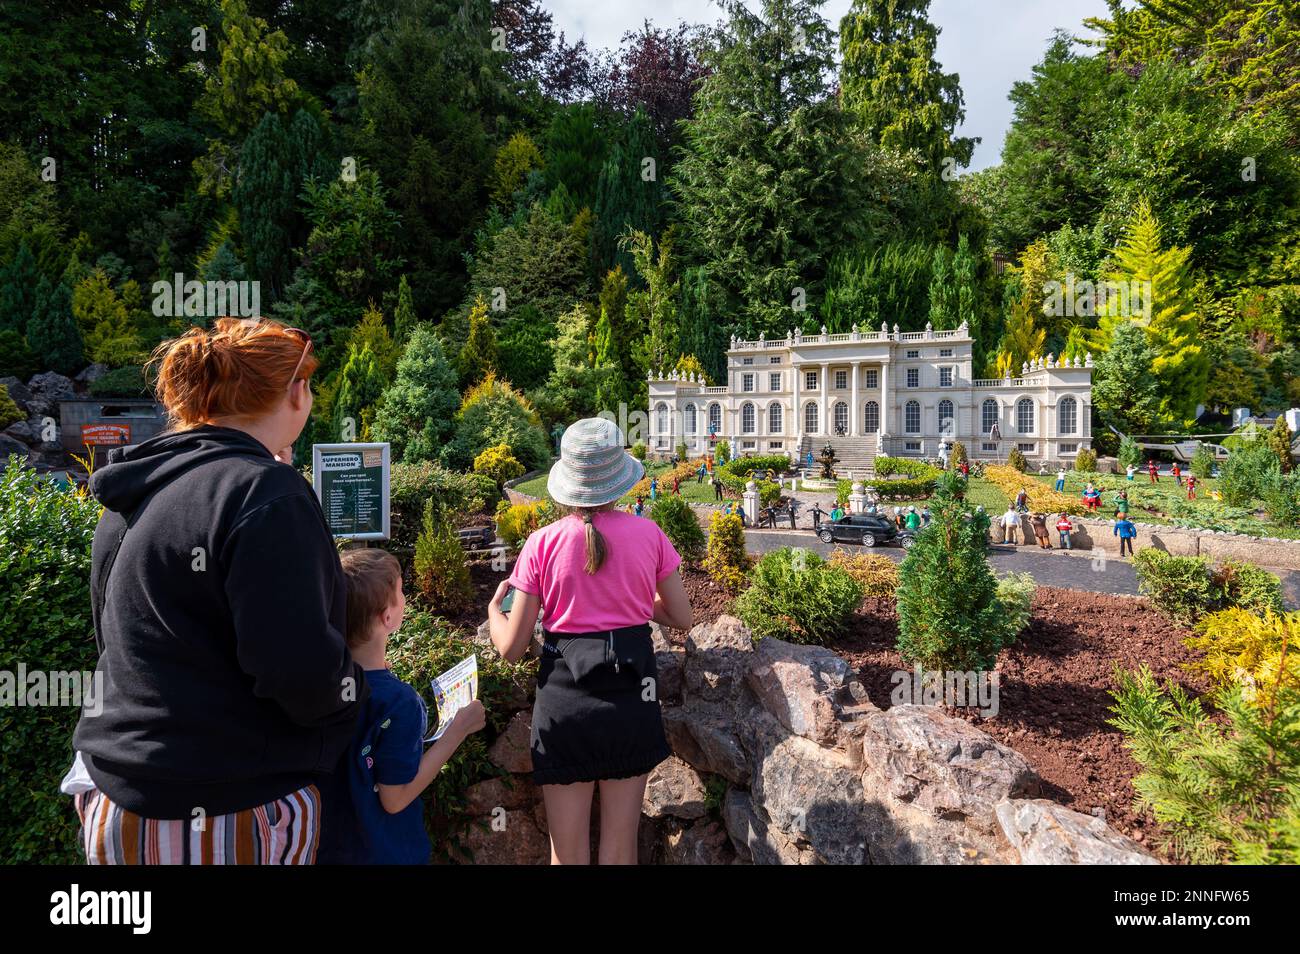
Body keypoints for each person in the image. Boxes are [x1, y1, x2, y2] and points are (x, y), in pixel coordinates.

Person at [68, 317, 367, 865]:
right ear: (295, 392)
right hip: (225, 810)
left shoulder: (136, 494)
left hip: (115, 801)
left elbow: (115, 639)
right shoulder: (263, 492)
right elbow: (295, 667)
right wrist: (354, 696)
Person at [487, 418, 692, 865]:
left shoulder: (541, 544)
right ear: (619, 480)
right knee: (621, 850)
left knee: (568, 854)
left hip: (563, 708)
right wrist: (638, 603)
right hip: (631, 700)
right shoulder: (649, 534)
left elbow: (511, 647)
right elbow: (682, 616)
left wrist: (491, 615)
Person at [339, 550, 486, 864]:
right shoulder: (399, 702)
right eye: (400, 592)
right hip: (386, 851)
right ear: (387, 617)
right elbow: (395, 797)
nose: (404, 597)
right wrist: (458, 730)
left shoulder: (324, 684)